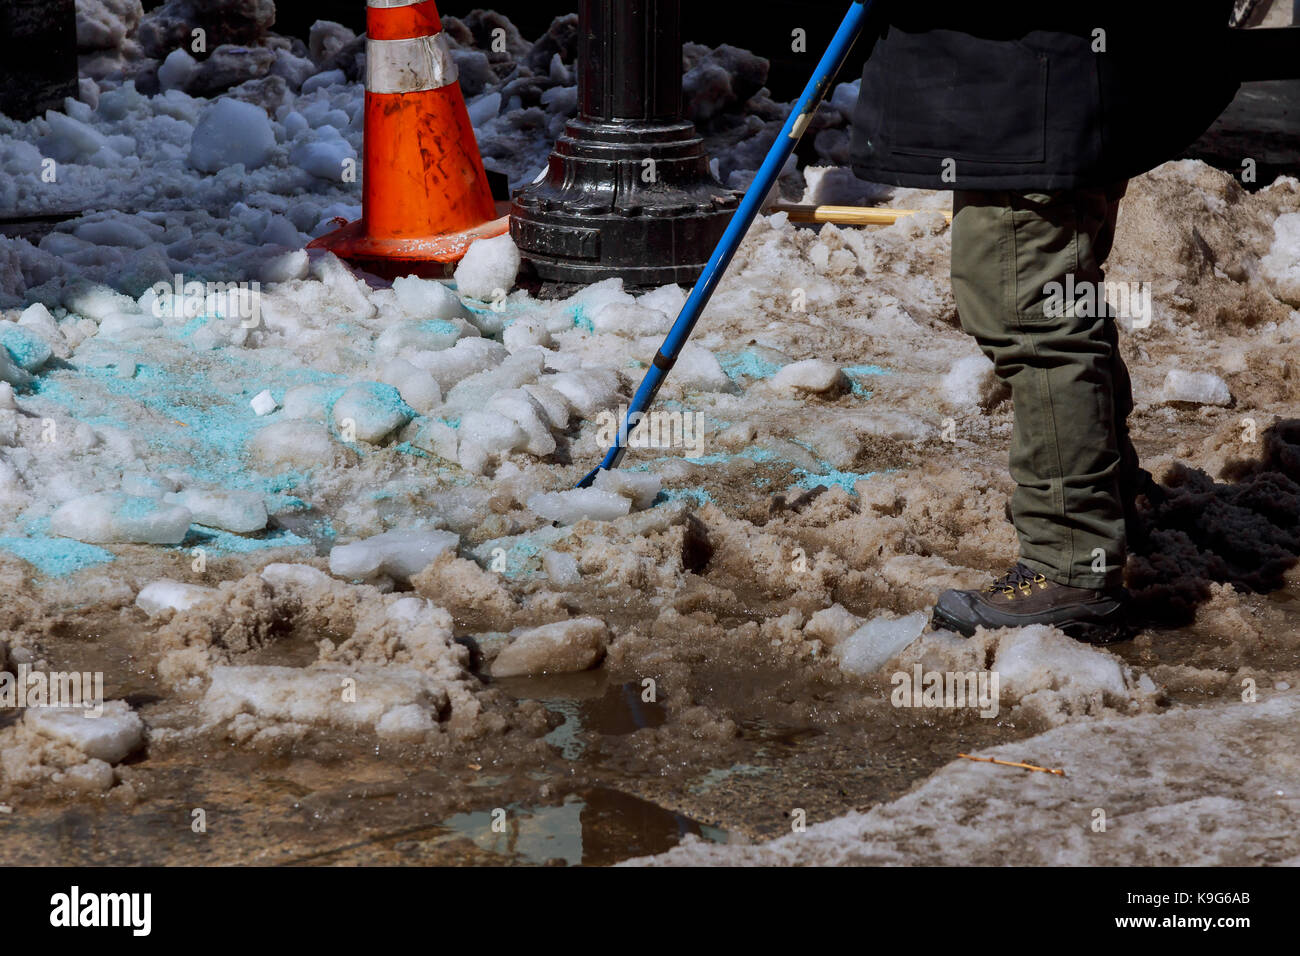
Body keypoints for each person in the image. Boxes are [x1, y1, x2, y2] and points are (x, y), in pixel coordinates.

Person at [849, 1, 1240, 641]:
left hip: (1034, 83)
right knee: (1059, 294)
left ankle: (1070, 564)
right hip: (1060, 79)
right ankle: (1109, 497)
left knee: (1029, 308)